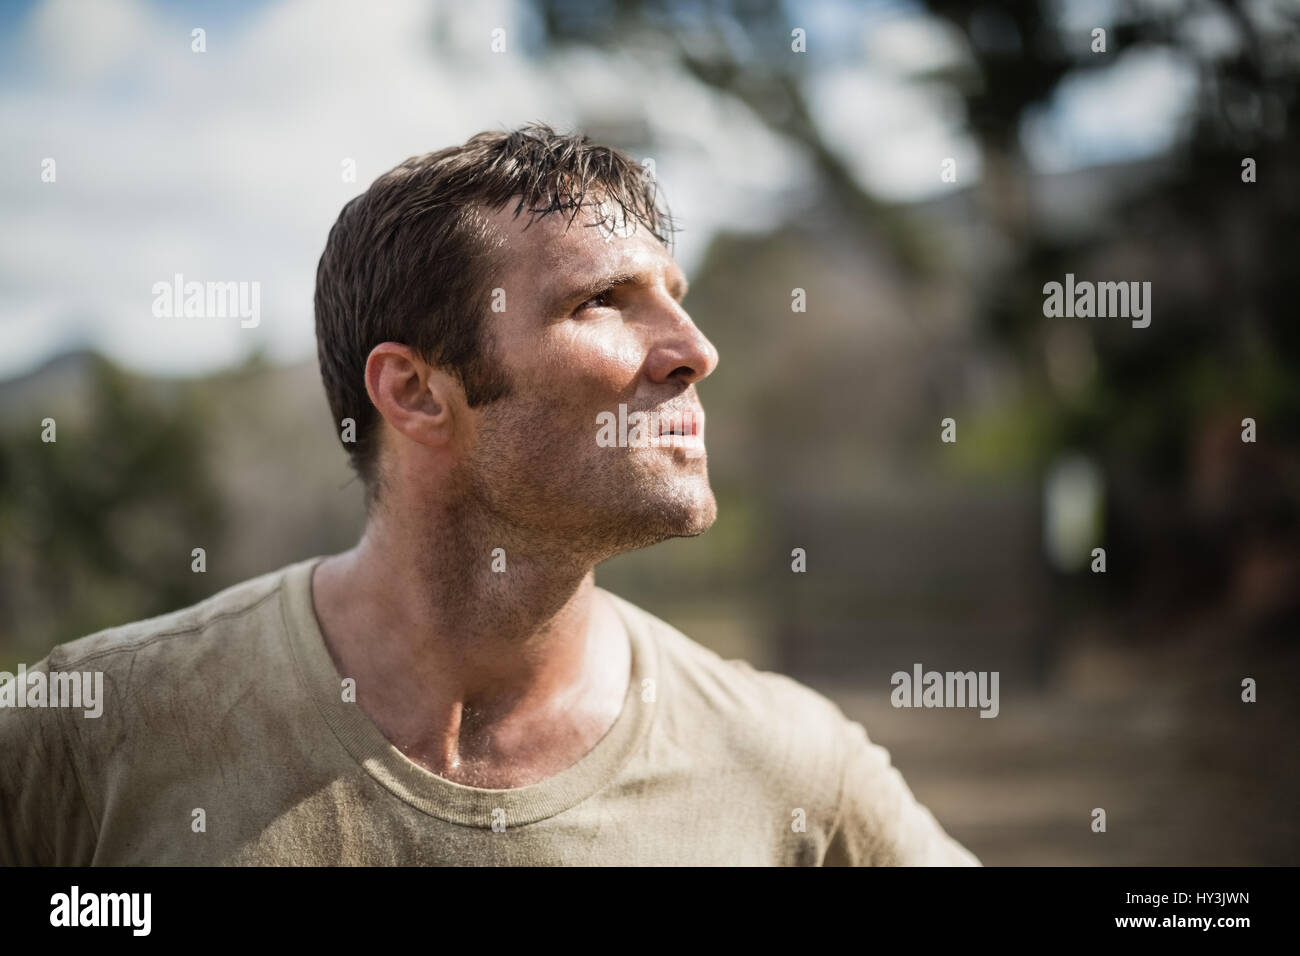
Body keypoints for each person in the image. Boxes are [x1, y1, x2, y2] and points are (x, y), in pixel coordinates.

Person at [0, 124, 979, 866]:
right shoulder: (90, 729)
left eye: (675, 295)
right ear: (417, 391)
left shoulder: (790, 762)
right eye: (602, 299)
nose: (694, 350)